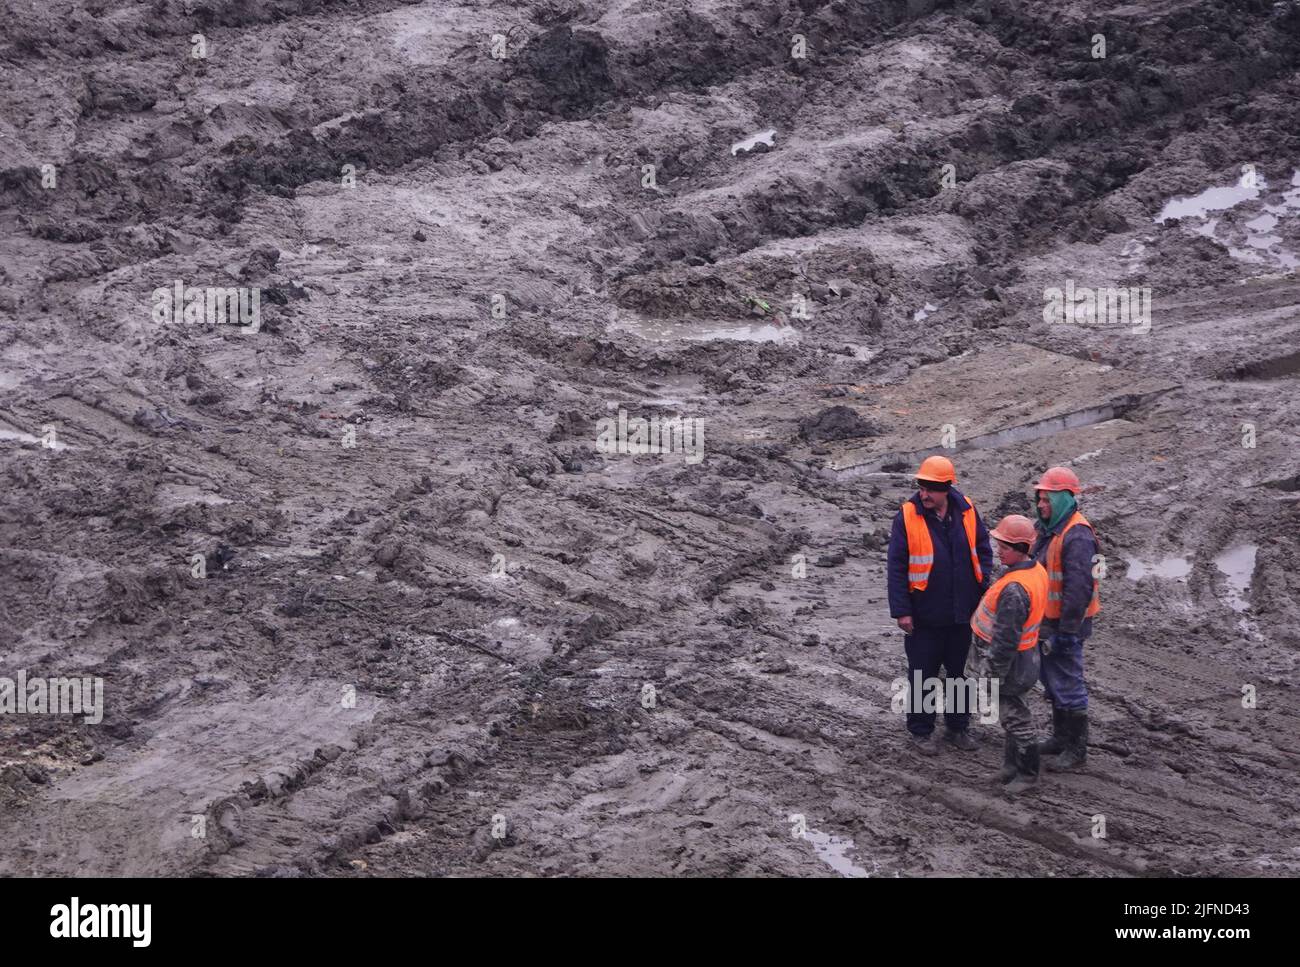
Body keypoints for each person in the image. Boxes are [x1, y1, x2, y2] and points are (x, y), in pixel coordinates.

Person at [887, 455, 993, 754]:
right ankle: (921, 731)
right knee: (923, 674)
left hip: (963, 612)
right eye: (921, 487)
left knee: (960, 673)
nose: (924, 494)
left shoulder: (968, 511)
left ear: (947, 488)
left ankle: (958, 728)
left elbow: (983, 549)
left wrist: (982, 585)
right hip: (924, 614)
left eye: (931, 488)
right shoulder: (907, 516)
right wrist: (902, 611)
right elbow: (896, 566)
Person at [970, 515, 1048, 794]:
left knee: (1014, 716)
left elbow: (1005, 639)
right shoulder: (1034, 571)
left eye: (1005, 546)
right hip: (1027, 658)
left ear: (1022, 548)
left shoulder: (1015, 589)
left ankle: (1028, 774)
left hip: (1011, 663)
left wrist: (991, 674)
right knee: (1013, 711)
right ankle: (1011, 766)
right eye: (999, 544)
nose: (999, 550)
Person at [1031, 466, 1101, 771]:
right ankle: (1060, 737)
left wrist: (1068, 631)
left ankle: (1076, 748)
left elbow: (1079, 587)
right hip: (1048, 622)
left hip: (1066, 625)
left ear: (1062, 499)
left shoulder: (1077, 535)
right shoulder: (1049, 530)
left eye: (1047, 500)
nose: (1041, 505)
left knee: (1069, 684)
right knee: (1053, 681)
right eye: (1040, 499)